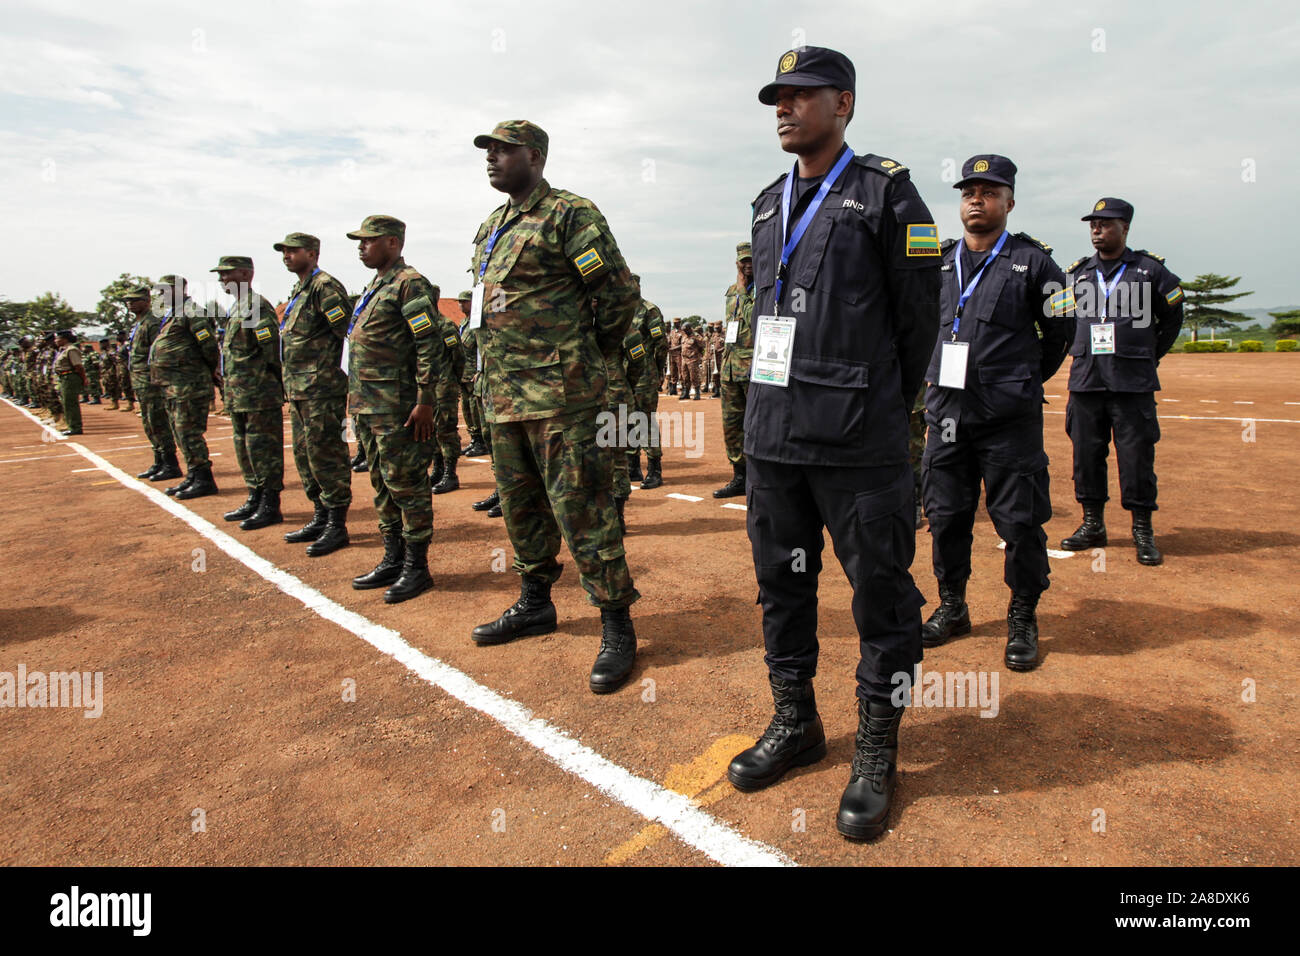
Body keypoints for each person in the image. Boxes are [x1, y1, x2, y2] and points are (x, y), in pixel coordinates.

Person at [726, 47, 941, 842]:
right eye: (777, 98)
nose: (784, 109)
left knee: (882, 598)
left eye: (801, 96)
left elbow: (919, 321)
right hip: (776, 439)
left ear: (843, 104)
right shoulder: (764, 202)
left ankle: (877, 748)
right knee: (782, 589)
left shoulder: (887, 193)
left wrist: (879, 402)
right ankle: (797, 722)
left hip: (859, 443)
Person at [467, 120, 641, 694]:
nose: (492, 158)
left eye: (503, 149)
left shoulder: (570, 214)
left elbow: (616, 294)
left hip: (562, 396)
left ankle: (616, 622)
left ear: (535, 157)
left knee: (584, 509)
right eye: (488, 151)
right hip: (504, 396)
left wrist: (588, 357)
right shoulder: (492, 228)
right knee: (521, 508)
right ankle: (535, 601)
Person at [918, 155, 1073, 674]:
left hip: (1009, 419)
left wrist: (1021, 380)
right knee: (945, 515)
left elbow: (1060, 334)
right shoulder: (937, 261)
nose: (977, 200)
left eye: (989, 191)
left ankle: (1023, 615)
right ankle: (953, 605)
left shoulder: (1036, 263)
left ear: (1009, 201)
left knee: (1021, 522)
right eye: (969, 192)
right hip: (945, 414)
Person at [1059, 198, 1184, 566]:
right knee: (1086, 455)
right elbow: (1064, 322)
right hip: (1086, 381)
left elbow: (1172, 319)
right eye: (1093, 224)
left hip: (1132, 381)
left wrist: (1147, 354)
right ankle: (1092, 524)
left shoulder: (1149, 271)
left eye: (1105, 223)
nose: (1097, 230)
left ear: (1125, 228)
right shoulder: (1078, 274)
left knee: (1136, 458)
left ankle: (1142, 530)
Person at [345, 214, 449, 604]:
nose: (361, 246)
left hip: (399, 407)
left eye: (368, 240)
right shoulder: (375, 285)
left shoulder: (409, 284)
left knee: (407, 485)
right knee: (381, 483)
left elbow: (428, 343)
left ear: (392, 243)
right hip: (370, 405)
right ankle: (393, 557)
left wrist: (425, 400)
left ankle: (416, 567)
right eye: (359, 241)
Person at [276, 232, 354, 556]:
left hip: (321, 389)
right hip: (299, 389)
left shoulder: (325, 288)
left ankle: (337, 524)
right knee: (304, 454)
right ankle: (320, 515)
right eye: (284, 252)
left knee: (326, 453)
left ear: (312, 252)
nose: (286, 256)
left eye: (293, 251)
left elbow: (347, 333)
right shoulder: (300, 289)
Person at [212, 256, 284, 530]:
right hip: (239, 395)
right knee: (244, 447)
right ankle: (255, 496)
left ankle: (269, 503)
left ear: (245, 274)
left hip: (258, 393)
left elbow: (270, 351)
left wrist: (267, 383)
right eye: (220, 276)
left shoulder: (255, 307)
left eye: (226, 274)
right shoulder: (237, 308)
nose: (222, 280)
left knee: (263, 449)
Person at [149, 275, 221, 499]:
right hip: (174, 385)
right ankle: (193, 474)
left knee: (190, 432)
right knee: (180, 432)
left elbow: (209, 346)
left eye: (165, 291)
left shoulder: (193, 312)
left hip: (189, 384)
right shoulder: (174, 314)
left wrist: (206, 372)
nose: (161, 296)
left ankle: (204, 479)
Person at [124, 284, 181, 481]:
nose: (129, 304)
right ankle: (159, 460)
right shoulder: (139, 323)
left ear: (147, 301)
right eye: (127, 301)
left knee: (158, 423)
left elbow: (157, 352)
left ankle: (170, 463)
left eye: (134, 300)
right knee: (149, 423)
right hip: (140, 381)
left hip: (151, 381)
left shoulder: (153, 322)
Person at [715, 242, 754, 497]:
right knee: (731, 426)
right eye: (743, 262)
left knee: (757, 426)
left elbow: (752, 320)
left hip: (753, 369)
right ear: (737, 263)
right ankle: (739, 475)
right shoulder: (731, 293)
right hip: (730, 368)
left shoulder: (762, 290)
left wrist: (743, 292)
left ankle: (760, 479)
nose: (747, 266)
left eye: (751, 260)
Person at [628, 278, 667, 489]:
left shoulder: (649, 310)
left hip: (644, 374)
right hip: (624, 376)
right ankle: (633, 467)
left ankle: (654, 470)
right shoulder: (619, 311)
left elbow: (661, 345)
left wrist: (659, 370)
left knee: (644, 421)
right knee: (626, 420)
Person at [429, 305, 466, 495]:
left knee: (445, 430)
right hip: (429, 385)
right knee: (432, 429)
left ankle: (450, 474)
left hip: (444, 385)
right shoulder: (426, 324)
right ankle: (438, 469)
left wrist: (453, 379)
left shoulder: (446, 326)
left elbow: (458, 356)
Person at [456, 290, 489, 457]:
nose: (461, 304)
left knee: (476, 408)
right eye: (460, 302)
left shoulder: (477, 323)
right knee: (466, 407)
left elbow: (481, 348)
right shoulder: (464, 323)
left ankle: (481, 441)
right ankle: (474, 438)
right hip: (463, 373)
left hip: (472, 373)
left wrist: (479, 370)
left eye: (464, 301)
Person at [53, 330, 87, 436]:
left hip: (70, 377)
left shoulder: (71, 350)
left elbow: (78, 366)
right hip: (64, 377)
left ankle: (75, 427)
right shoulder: (62, 350)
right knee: (66, 403)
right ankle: (71, 425)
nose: (56, 341)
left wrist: (84, 379)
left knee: (70, 403)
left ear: (64, 339)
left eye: (57, 338)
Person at [116, 331, 134, 413]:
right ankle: (129, 403)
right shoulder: (119, 346)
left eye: (121, 335)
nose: (119, 337)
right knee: (123, 384)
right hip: (120, 368)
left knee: (128, 385)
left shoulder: (127, 345)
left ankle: (131, 403)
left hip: (126, 367)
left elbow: (130, 356)